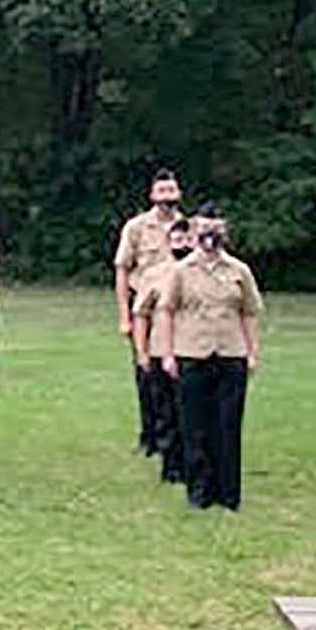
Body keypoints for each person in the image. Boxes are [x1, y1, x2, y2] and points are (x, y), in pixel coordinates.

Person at [156, 205, 262, 511]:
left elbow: (250, 313)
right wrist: (167, 353)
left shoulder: (239, 271)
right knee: (195, 425)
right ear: (192, 235)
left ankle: (228, 493)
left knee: (227, 425)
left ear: (225, 234)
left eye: (216, 231)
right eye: (203, 231)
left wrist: (252, 351)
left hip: (231, 355)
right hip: (192, 354)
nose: (209, 238)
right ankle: (199, 492)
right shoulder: (180, 272)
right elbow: (166, 311)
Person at [113, 170, 187, 456]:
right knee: (146, 373)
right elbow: (122, 270)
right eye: (162, 191)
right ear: (152, 195)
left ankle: (176, 435)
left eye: (171, 190)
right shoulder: (137, 227)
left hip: (178, 309)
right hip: (144, 307)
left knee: (176, 373)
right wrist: (124, 316)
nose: (167, 196)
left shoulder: (189, 226)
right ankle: (150, 436)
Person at [132, 218, 193, 485]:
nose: (183, 244)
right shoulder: (154, 275)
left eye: (187, 239)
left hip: (196, 351)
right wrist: (142, 352)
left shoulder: (206, 271)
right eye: (177, 240)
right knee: (166, 412)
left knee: (193, 412)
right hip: (161, 349)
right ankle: (171, 466)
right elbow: (141, 315)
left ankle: (196, 464)